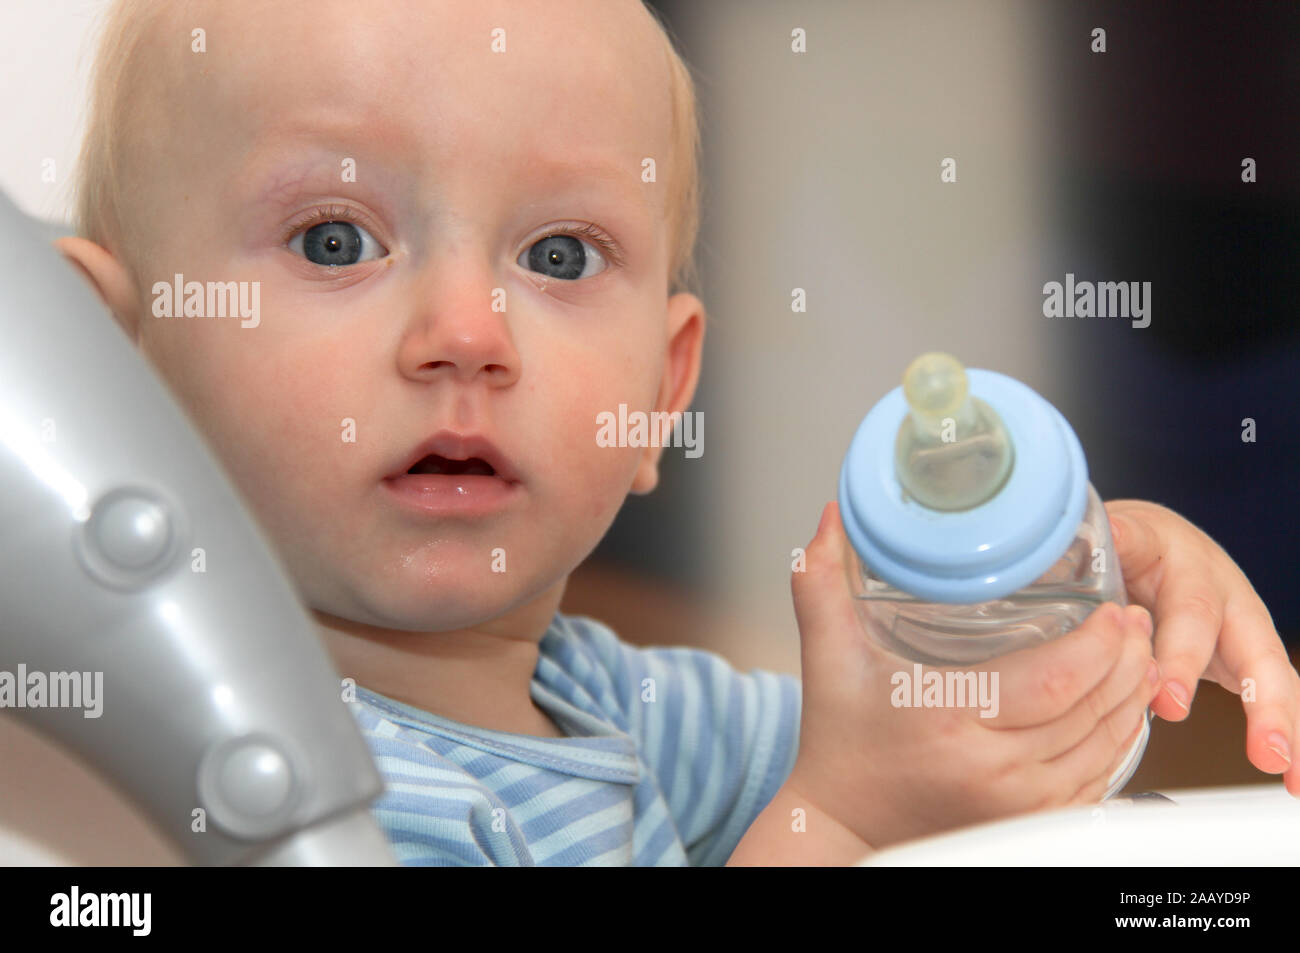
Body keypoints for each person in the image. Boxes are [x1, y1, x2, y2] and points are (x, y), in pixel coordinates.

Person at [54, 0, 1299, 865]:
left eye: (558, 254)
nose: (466, 332)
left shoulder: (619, 704)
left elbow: (957, 763)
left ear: (660, 391)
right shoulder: (247, 790)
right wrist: (839, 824)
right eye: (335, 239)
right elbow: (861, 797)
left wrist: (1069, 608)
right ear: (110, 367)